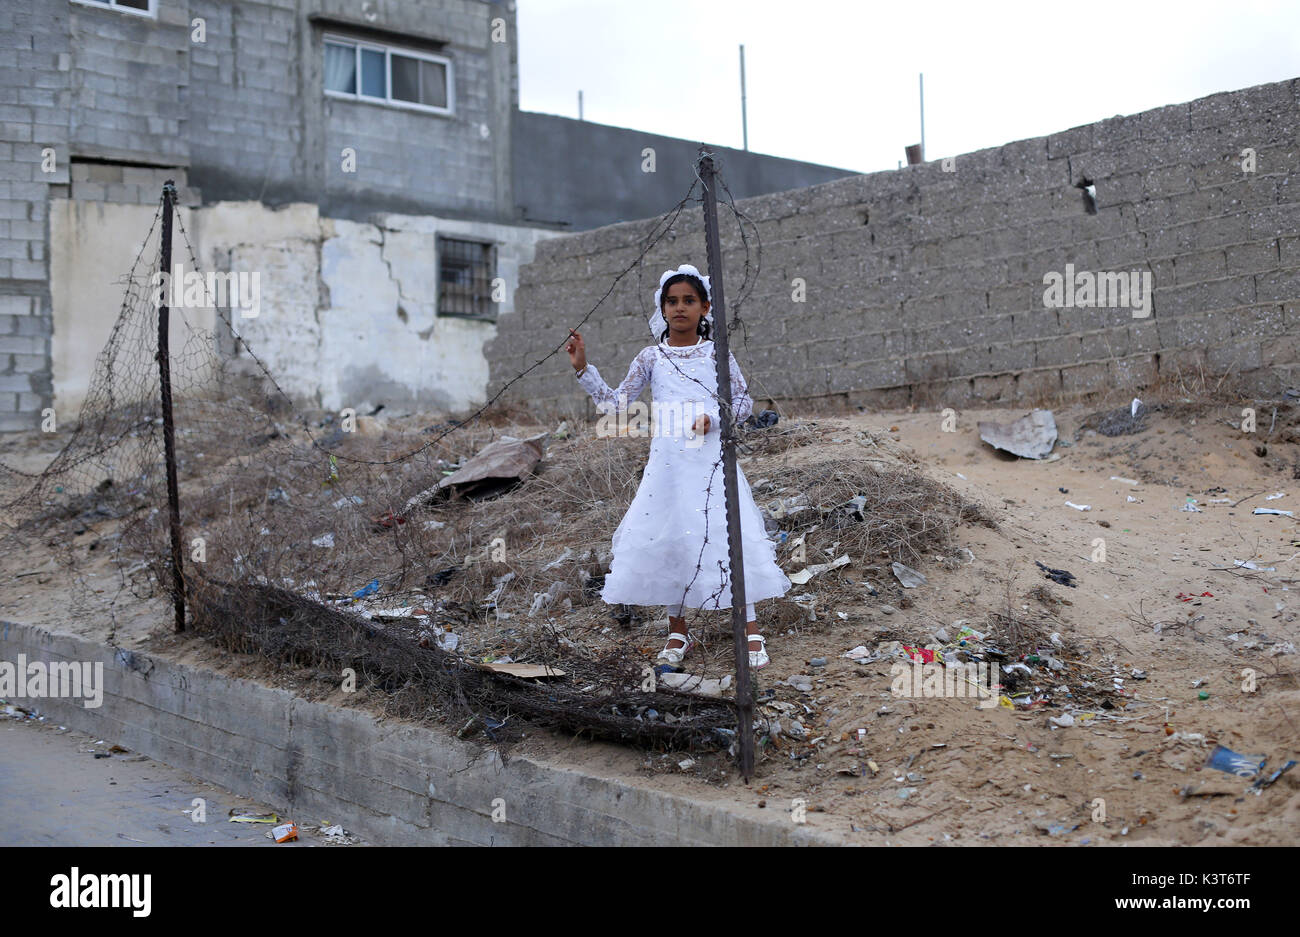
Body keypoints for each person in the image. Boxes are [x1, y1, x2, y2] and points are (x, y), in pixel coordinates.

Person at [565, 263, 791, 669]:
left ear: (704, 307)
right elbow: (617, 406)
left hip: (710, 462)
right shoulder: (651, 357)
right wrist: (584, 369)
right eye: (672, 302)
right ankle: (677, 630)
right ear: (662, 309)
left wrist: (715, 419)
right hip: (667, 465)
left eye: (688, 300)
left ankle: (749, 627)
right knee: (671, 537)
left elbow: (742, 401)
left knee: (726, 532)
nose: (680, 308)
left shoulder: (717, 353)